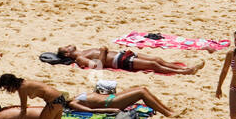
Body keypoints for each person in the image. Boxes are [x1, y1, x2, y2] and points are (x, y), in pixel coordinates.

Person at [58, 44, 203, 75]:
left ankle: (183, 68)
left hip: (123, 54)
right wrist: (103, 52)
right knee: (153, 64)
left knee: (157, 59)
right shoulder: (80, 59)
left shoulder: (84, 50)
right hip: (120, 61)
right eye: (66, 47)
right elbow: (98, 66)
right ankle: (186, 72)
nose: (69, 45)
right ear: (66, 54)